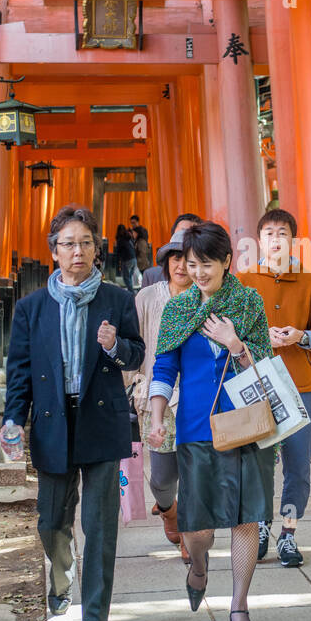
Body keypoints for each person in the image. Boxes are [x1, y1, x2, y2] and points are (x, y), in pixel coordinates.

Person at [4, 205, 145, 621]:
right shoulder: (31, 309)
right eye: (69, 244)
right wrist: (13, 420)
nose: (78, 251)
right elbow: (20, 372)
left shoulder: (117, 300)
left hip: (101, 420)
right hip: (53, 422)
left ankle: (96, 616)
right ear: (55, 251)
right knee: (51, 521)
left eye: (86, 243)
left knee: (100, 526)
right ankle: (61, 577)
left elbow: (137, 354)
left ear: (97, 249)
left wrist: (115, 346)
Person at [145, 221, 276, 621]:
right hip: (197, 427)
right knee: (198, 528)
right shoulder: (178, 310)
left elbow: (265, 364)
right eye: (191, 264)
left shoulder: (249, 303)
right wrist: (157, 417)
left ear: (226, 262)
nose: (198, 273)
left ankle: (239, 604)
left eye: (207, 264)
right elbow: (164, 367)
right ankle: (199, 566)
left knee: (245, 519)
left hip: (247, 424)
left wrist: (235, 343)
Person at [238, 209, 311, 567]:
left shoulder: (310, 283)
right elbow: (234, 331)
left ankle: (289, 533)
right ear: (259, 240)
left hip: (299, 384)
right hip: (257, 384)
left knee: (297, 465)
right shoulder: (244, 281)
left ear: (293, 240)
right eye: (269, 233)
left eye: (282, 233)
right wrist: (263, 337)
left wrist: (300, 336)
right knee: (260, 463)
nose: (275, 239)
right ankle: (262, 525)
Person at [125, 228, 193, 562]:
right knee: (163, 478)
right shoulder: (148, 297)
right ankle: (168, 509)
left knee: (195, 472)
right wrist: (126, 387)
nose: (181, 266)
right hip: (157, 398)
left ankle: (192, 536)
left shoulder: (207, 295)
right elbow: (134, 346)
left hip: (196, 396)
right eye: (175, 259)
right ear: (165, 263)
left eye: (188, 259)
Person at [141, 213, 202, 288]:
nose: (184, 237)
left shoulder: (206, 284)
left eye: (191, 234)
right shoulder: (152, 276)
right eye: (181, 233)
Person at [113, 223, 137, 289]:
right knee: (130, 277)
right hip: (134, 258)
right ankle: (131, 291)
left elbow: (118, 252)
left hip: (127, 259)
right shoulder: (128, 238)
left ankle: (131, 293)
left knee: (126, 278)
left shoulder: (120, 239)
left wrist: (118, 262)